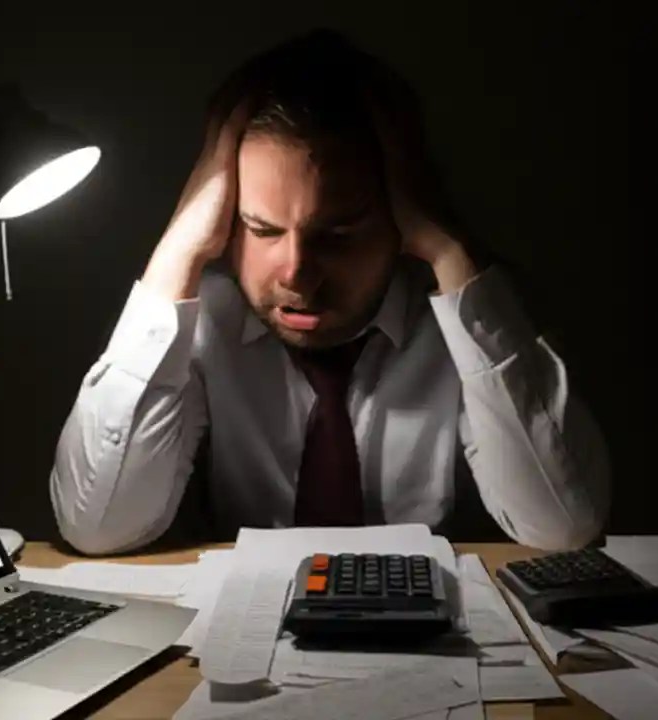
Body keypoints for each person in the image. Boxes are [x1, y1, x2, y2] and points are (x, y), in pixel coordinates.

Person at [49, 30, 610, 555]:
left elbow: (563, 524)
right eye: (262, 230)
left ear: (401, 215)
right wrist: (177, 249)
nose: (296, 274)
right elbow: (99, 528)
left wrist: (449, 251)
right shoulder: (200, 324)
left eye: (338, 234)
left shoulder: (466, 326)